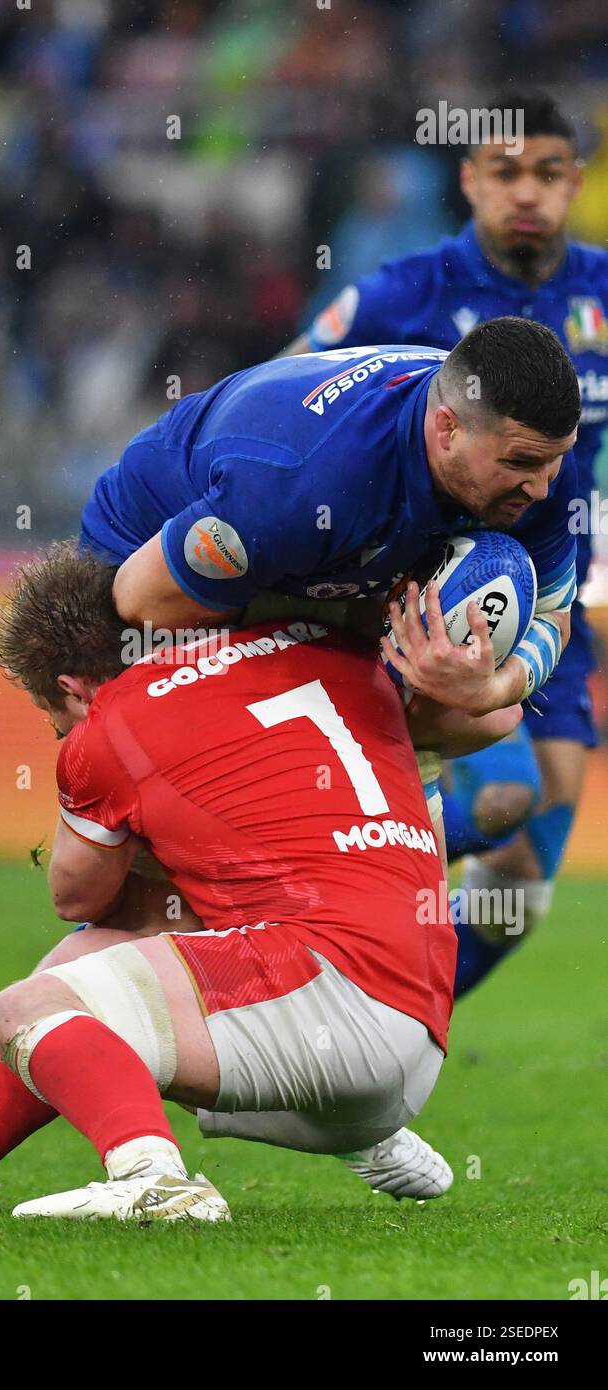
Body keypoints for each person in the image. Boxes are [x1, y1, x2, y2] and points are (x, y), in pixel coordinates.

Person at [0, 543, 466, 1220]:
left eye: (55, 719)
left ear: (71, 686)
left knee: (24, 1008)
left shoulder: (117, 719)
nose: (63, 735)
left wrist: (109, 798)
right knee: (83, 962)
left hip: (333, 1004)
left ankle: (153, 1179)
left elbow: (75, 896)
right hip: (414, 1026)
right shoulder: (321, 645)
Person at [286, 90, 606, 995]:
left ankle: (374, 1012)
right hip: (417, 594)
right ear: (468, 180)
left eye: (549, 173)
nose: (528, 193)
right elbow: (290, 384)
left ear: (575, 182)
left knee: (518, 891)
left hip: (557, 589)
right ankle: (339, 947)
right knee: (503, 798)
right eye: (505, 172)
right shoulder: (404, 292)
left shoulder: (604, 293)